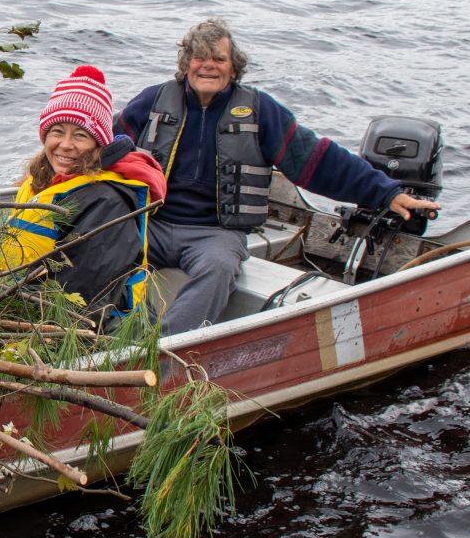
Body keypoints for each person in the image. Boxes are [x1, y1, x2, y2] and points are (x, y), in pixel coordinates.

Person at [114, 18, 441, 336]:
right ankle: (109, 328)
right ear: (186, 63)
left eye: (219, 58)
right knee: (103, 244)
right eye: (200, 57)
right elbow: (101, 142)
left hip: (214, 234)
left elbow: (317, 159)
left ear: (233, 67)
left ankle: (161, 353)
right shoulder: (153, 101)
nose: (208, 66)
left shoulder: (260, 110)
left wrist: (386, 193)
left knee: (218, 270)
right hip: (150, 223)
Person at [0, 65, 167, 325]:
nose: (65, 145)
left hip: (94, 332)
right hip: (21, 301)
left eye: (80, 135)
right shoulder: (41, 180)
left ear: (99, 145)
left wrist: (5, 312)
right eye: (57, 132)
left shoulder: (107, 202)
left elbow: (79, 299)